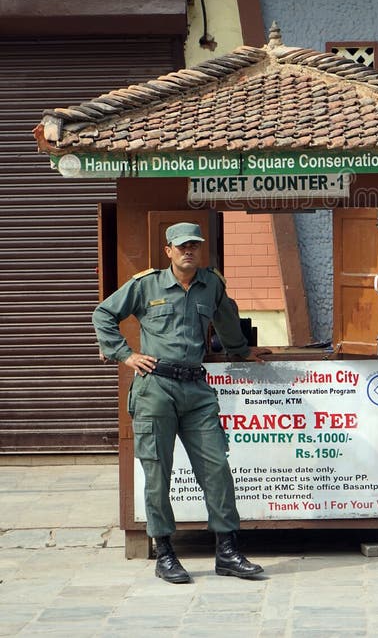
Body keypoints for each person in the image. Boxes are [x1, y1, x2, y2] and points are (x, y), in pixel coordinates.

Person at [92, 221, 271, 584]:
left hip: (197, 389)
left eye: (194, 245)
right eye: (182, 246)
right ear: (169, 250)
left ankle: (228, 551)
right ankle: (166, 553)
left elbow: (226, 319)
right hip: (155, 388)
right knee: (158, 472)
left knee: (216, 468)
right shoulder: (146, 285)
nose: (189, 251)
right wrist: (125, 355)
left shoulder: (212, 285)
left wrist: (241, 351)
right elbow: (103, 314)